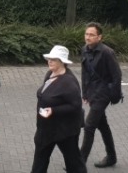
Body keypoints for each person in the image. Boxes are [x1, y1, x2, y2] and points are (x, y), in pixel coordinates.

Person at [30, 45, 86, 173]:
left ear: (62, 62)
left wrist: (54, 110)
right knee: (39, 164)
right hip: (45, 129)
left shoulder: (69, 82)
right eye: (49, 59)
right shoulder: (50, 74)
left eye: (54, 59)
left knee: (74, 164)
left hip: (64, 131)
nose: (49, 61)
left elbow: (75, 106)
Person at [80, 22, 122, 169]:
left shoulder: (107, 52)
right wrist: (85, 92)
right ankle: (111, 157)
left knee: (89, 126)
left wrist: (113, 95)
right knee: (102, 125)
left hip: (103, 94)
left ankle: (80, 162)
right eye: (86, 34)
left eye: (91, 35)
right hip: (92, 93)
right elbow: (84, 73)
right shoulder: (84, 50)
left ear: (99, 37)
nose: (88, 37)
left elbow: (117, 76)